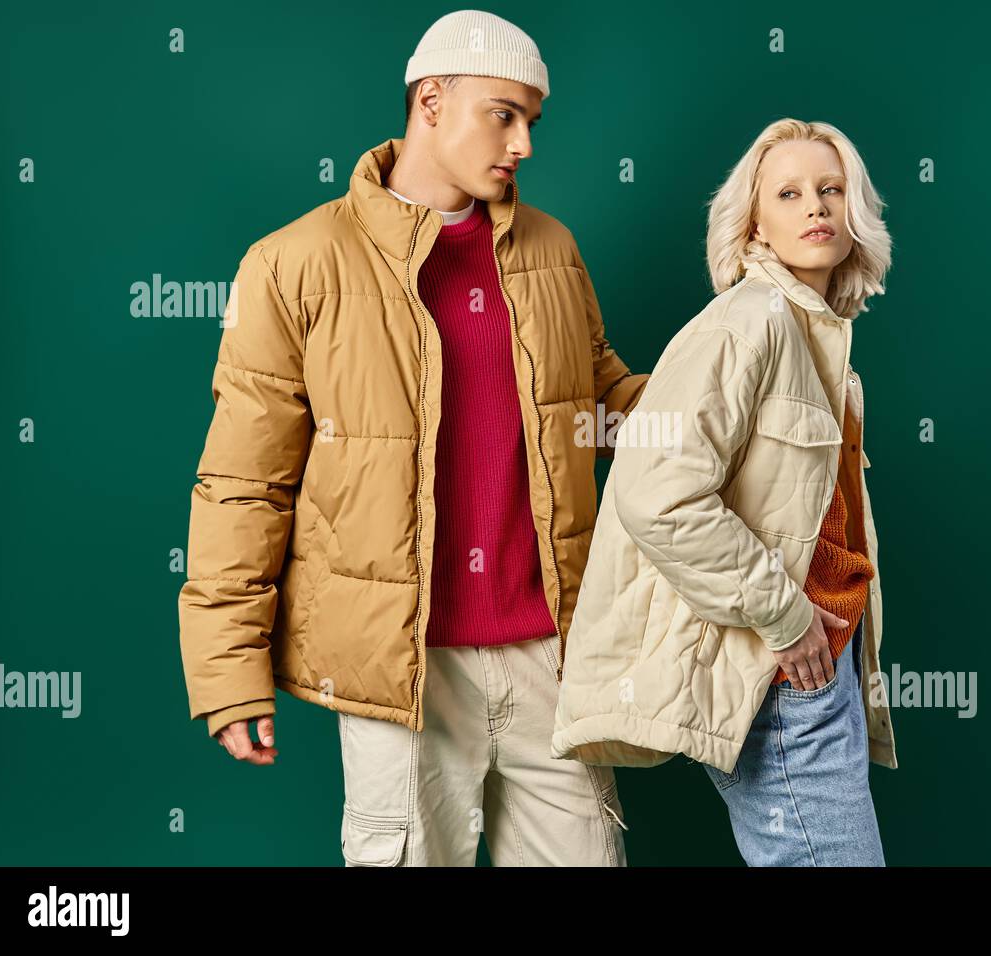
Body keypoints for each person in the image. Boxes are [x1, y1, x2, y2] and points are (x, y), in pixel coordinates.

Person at [177, 9, 646, 866]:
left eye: (533, 122)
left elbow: (604, 400)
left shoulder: (552, 248)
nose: (525, 145)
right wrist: (227, 669)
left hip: (553, 650)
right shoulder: (294, 264)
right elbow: (244, 482)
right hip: (402, 670)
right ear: (431, 101)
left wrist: (731, 397)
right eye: (503, 115)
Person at [551, 117, 898, 866]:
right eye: (791, 193)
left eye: (831, 191)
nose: (817, 208)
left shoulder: (818, 338)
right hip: (779, 673)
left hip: (816, 663)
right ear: (754, 225)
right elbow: (657, 497)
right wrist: (785, 617)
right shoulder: (747, 324)